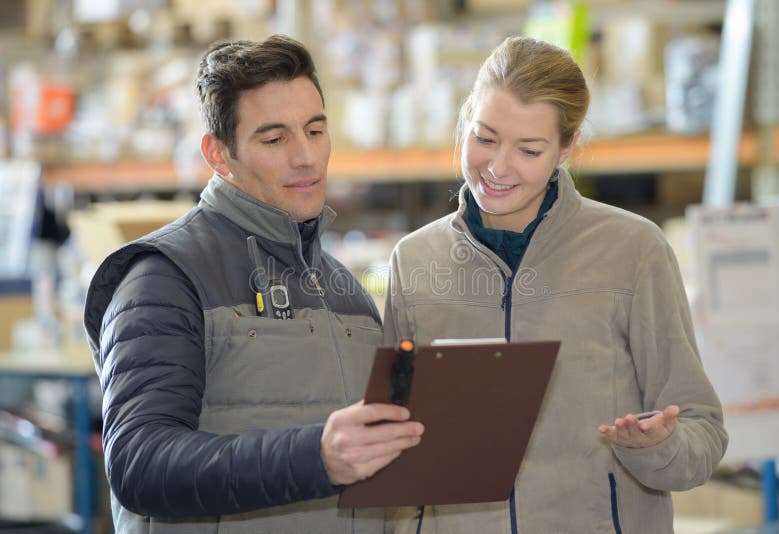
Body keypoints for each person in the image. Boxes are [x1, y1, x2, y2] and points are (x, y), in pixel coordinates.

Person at [383, 36, 727, 534]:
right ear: (464, 123)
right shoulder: (413, 260)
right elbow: (392, 441)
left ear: (566, 147)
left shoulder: (634, 250)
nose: (499, 168)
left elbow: (703, 432)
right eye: (484, 138)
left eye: (528, 149)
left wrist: (659, 447)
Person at [83, 35, 424, 534]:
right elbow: (139, 462)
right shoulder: (165, 278)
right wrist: (314, 457)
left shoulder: (348, 293)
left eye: (315, 130)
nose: (306, 157)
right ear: (219, 154)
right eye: (275, 139)